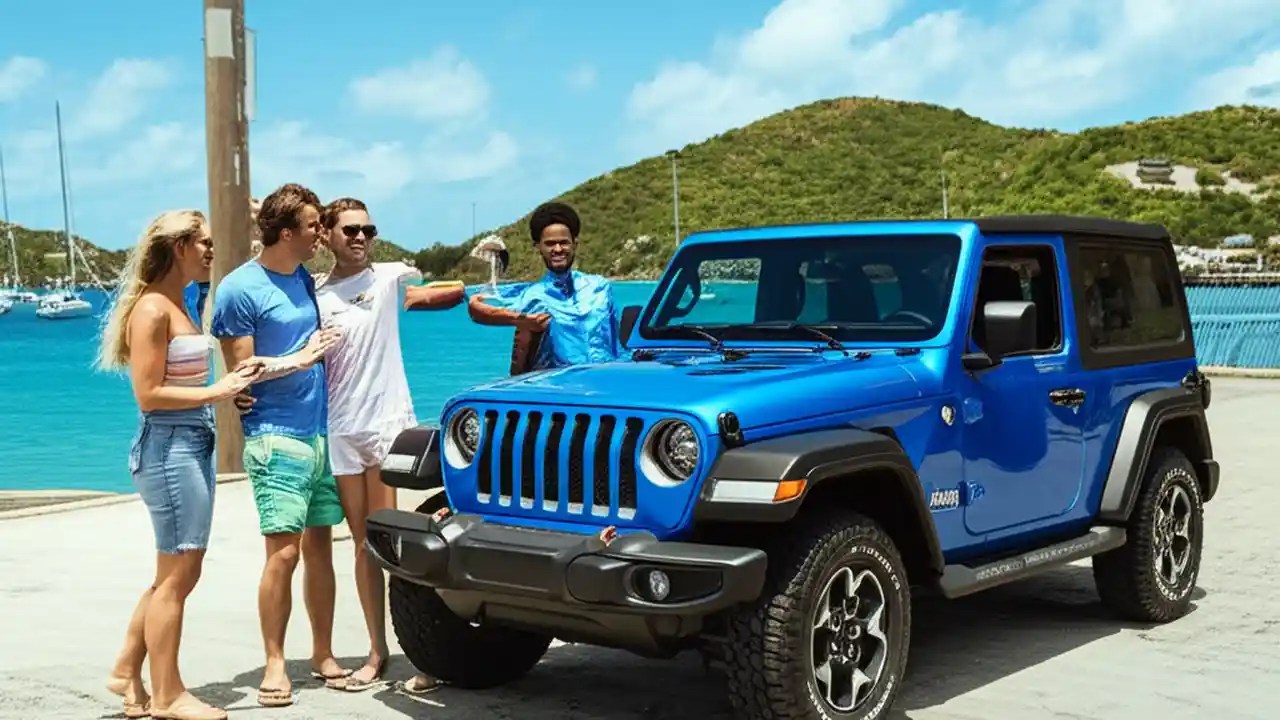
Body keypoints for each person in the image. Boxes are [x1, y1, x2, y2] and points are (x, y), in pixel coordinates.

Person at [97, 209, 264, 720]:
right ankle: (168, 694)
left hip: (190, 441)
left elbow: (183, 384)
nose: (213, 251)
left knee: (174, 569)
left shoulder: (182, 302)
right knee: (180, 570)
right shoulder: (152, 310)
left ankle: (129, 669)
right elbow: (148, 395)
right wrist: (219, 390)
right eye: (205, 243)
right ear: (179, 248)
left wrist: (230, 392)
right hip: (169, 448)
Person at [209, 182, 348, 708]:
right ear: (286, 232)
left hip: (319, 433)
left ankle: (323, 653)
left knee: (320, 549)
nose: (322, 233)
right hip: (275, 436)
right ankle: (274, 662)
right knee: (283, 554)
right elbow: (242, 376)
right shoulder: (241, 289)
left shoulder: (306, 283)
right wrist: (307, 357)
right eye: (314, 226)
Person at [311, 197, 444, 692]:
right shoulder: (316, 295)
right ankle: (376, 651)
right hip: (341, 429)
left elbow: (438, 289)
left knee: (393, 543)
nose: (360, 237)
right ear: (326, 234)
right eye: (349, 230)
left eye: (367, 229)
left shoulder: (388, 276)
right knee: (364, 545)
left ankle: (425, 652)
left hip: (386, 426)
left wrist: (444, 295)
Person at [465, 200, 623, 369]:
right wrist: (523, 320)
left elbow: (619, 341)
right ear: (538, 247)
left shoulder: (600, 287)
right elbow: (477, 307)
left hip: (604, 382)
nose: (558, 249)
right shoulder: (532, 296)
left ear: (575, 244)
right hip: (559, 388)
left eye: (563, 242)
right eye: (549, 243)